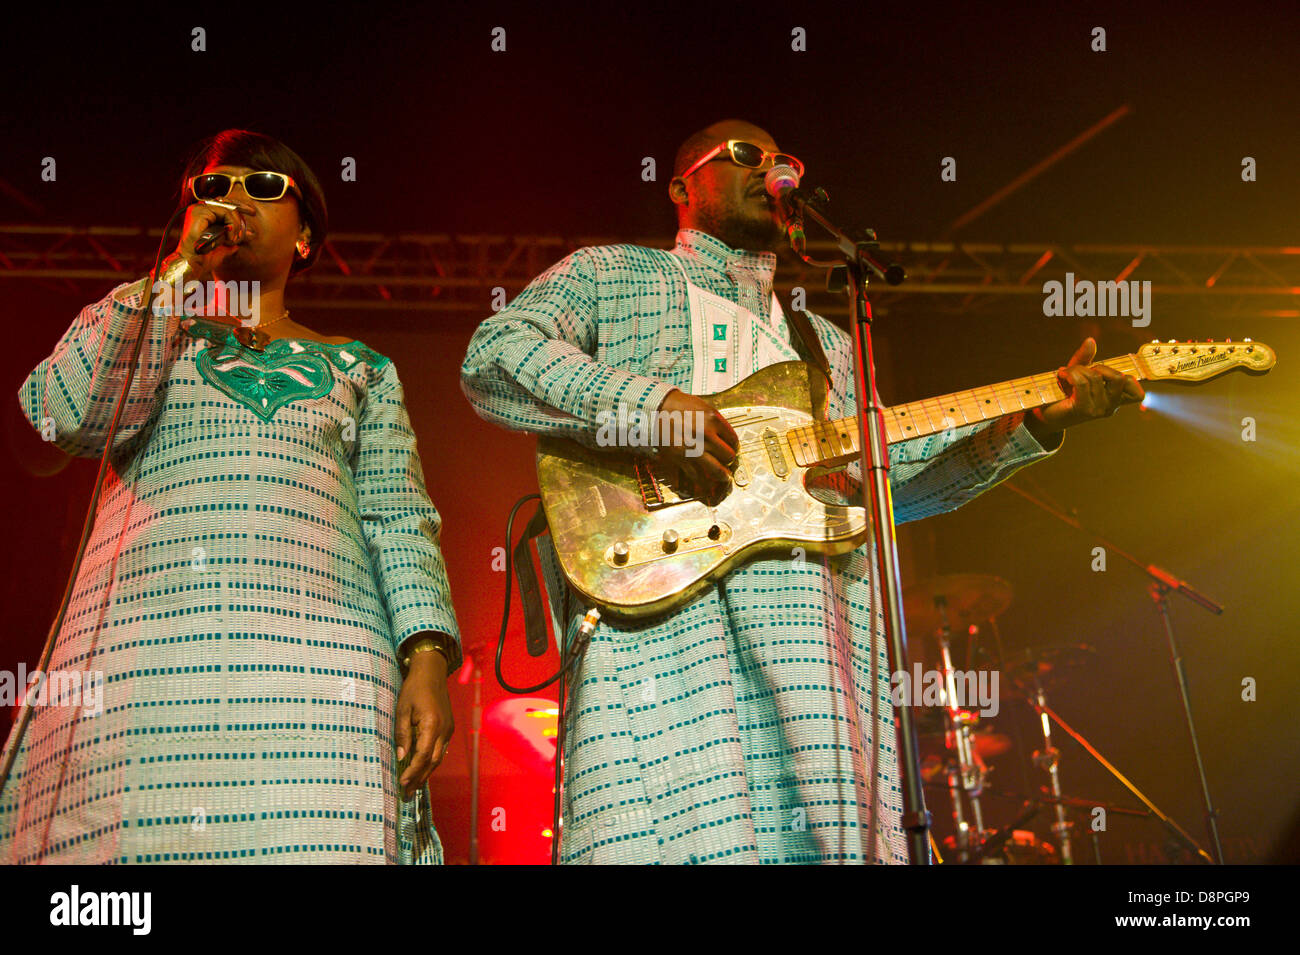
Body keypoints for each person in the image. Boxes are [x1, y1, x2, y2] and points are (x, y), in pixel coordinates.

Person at [461, 118, 1143, 864]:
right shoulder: (614, 274)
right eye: (746, 156)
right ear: (682, 187)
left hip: (818, 654)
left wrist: (1039, 421)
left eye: (783, 159)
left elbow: (896, 485)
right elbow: (497, 355)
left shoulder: (831, 343)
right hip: (661, 632)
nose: (772, 168)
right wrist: (650, 407)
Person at [0, 129, 459, 864]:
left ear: (305, 236)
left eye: (265, 187)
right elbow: (67, 415)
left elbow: (399, 518)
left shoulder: (362, 369)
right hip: (145, 674)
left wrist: (428, 658)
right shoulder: (154, 327)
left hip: (325, 685)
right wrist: (179, 271)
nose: (235, 200)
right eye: (213, 189)